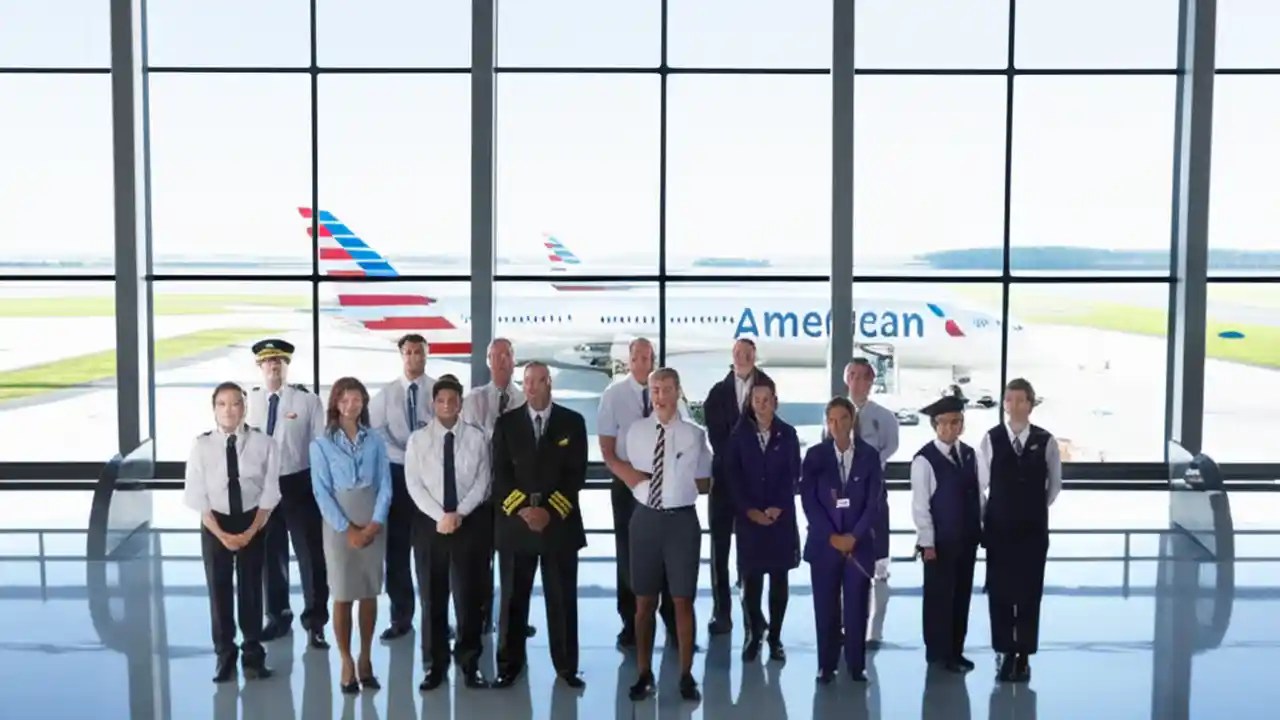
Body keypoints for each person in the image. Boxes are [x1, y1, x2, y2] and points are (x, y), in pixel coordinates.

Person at [617, 367, 713, 702]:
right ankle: (644, 673)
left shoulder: (694, 435)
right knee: (643, 602)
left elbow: (705, 480)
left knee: (683, 601)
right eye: (655, 389)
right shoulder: (635, 432)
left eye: (667, 389)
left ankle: (686, 676)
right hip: (645, 520)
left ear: (677, 392)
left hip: (681, 523)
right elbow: (628, 468)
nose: (660, 395)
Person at [491, 362, 588, 690]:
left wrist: (549, 511)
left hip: (559, 525)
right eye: (526, 381)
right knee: (513, 600)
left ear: (549, 383)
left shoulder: (572, 423)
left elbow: (576, 477)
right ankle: (508, 665)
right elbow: (500, 476)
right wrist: (525, 510)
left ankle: (566, 667)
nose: (530, 387)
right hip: (517, 525)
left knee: (562, 600)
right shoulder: (505, 424)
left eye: (537, 381)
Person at [184, 381, 281, 683]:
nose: (229, 410)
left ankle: (253, 655)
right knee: (219, 589)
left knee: (251, 589)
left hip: (253, 521)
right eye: (222, 404)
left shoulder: (265, 444)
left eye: (235, 403)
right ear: (214, 409)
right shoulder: (201, 445)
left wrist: (251, 531)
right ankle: (225, 655)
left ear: (245, 407)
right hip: (216, 524)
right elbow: (197, 496)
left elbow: (270, 493)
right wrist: (223, 535)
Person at [406, 374, 493, 691]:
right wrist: (439, 516)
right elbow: (413, 484)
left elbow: (483, 482)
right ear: (433, 403)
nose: (446, 406)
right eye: (440, 400)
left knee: (469, 597)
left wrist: (459, 514)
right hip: (430, 526)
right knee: (432, 597)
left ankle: (470, 663)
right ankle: (435, 665)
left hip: (468, 525)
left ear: (461, 403)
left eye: (452, 401)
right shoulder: (418, 440)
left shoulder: (476, 437)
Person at [309, 377, 392, 694]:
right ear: (335, 403)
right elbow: (321, 492)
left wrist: (375, 523)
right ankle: (345, 660)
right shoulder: (321, 444)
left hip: (372, 517)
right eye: (345, 399)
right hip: (338, 523)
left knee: (369, 591)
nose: (351, 405)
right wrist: (348, 529)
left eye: (357, 399)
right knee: (343, 593)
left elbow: (385, 484)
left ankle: (366, 658)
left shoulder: (376, 441)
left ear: (364, 403)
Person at [246, 338, 330, 649]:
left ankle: (315, 622)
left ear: (287, 365)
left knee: (311, 555)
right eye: (268, 361)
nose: (274, 366)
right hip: (263, 487)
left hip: (298, 484)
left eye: (279, 361)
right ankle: (278, 617)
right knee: (271, 555)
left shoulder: (307, 402)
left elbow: (320, 447)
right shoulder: (250, 402)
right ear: (260, 366)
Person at [597, 338, 680, 649]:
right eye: (637, 357)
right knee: (628, 554)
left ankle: (673, 622)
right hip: (627, 482)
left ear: (653, 358)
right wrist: (632, 479)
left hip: (665, 483)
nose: (643, 363)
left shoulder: (669, 391)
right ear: (629, 360)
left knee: (668, 552)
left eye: (647, 357)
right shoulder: (614, 395)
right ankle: (630, 623)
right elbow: (607, 448)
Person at [979, 378, 1061, 683]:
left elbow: (1054, 486)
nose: (1013, 405)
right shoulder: (991, 439)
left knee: (1028, 592)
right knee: (1000, 592)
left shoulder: (1046, 441)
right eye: (1008, 399)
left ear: (1030, 404)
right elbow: (980, 484)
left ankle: (1024, 654)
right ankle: (1004, 651)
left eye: (1020, 399)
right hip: (999, 530)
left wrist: (1032, 509)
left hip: (1032, 531)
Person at [800, 396, 883, 684]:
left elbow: (873, 503)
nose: (837, 425)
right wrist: (833, 536)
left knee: (857, 606)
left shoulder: (869, 456)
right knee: (825, 607)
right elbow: (810, 503)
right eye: (832, 420)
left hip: (859, 546)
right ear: (827, 423)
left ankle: (856, 665)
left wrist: (854, 536)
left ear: (852, 421)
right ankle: (827, 665)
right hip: (825, 545)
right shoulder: (814, 457)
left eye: (843, 419)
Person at [460, 337, 536, 639]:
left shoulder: (525, 399)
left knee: (515, 567)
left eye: (506, 355)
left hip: (514, 497)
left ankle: (514, 621)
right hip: (481, 496)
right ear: (488, 361)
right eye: (495, 355)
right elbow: (469, 446)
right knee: (479, 564)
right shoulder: (473, 400)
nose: (501, 360)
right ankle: (479, 619)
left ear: (514, 360)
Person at [703, 338, 775, 636]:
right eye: (738, 353)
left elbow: (770, 425)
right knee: (719, 550)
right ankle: (721, 612)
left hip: (756, 484)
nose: (743, 357)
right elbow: (716, 438)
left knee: (753, 550)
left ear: (755, 356)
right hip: (723, 482)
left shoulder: (767, 385)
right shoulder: (717, 393)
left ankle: (753, 613)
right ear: (732, 357)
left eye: (748, 353)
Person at [368, 333, 436, 640]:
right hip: (396, 477)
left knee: (431, 553)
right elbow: (377, 435)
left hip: (430, 478)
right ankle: (401, 618)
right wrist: (408, 453)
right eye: (408, 352)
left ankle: (436, 618)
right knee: (396, 553)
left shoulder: (438, 392)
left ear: (426, 355)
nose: (413, 358)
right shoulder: (385, 396)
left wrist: (420, 454)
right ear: (401, 356)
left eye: (418, 352)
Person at [725, 377, 799, 663]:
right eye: (756, 400)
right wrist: (750, 510)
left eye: (766, 399)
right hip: (749, 521)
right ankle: (754, 634)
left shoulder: (788, 434)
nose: (761, 404)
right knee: (751, 582)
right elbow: (733, 478)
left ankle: (776, 638)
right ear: (750, 403)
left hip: (780, 521)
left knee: (779, 581)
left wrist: (778, 507)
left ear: (775, 401)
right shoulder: (738, 436)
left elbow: (794, 474)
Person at [911, 393, 980, 674]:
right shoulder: (924, 460)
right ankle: (938, 652)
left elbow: (977, 494)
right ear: (935, 425)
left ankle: (956, 649)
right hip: (939, 543)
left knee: (961, 595)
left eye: (956, 422)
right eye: (944, 423)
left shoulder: (968, 454)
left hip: (966, 539)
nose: (950, 428)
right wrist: (927, 542)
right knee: (940, 598)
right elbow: (921, 505)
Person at [844, 358, 900, 646]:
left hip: (873, 485)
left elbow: (891, 445)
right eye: (851, 376)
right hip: (845, 490)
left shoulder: (883, 416)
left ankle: (874, 629)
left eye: (862, 377)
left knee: (877, 542)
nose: (856, 381)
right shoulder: (837, 412)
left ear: (870, 381)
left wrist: (870, 464)